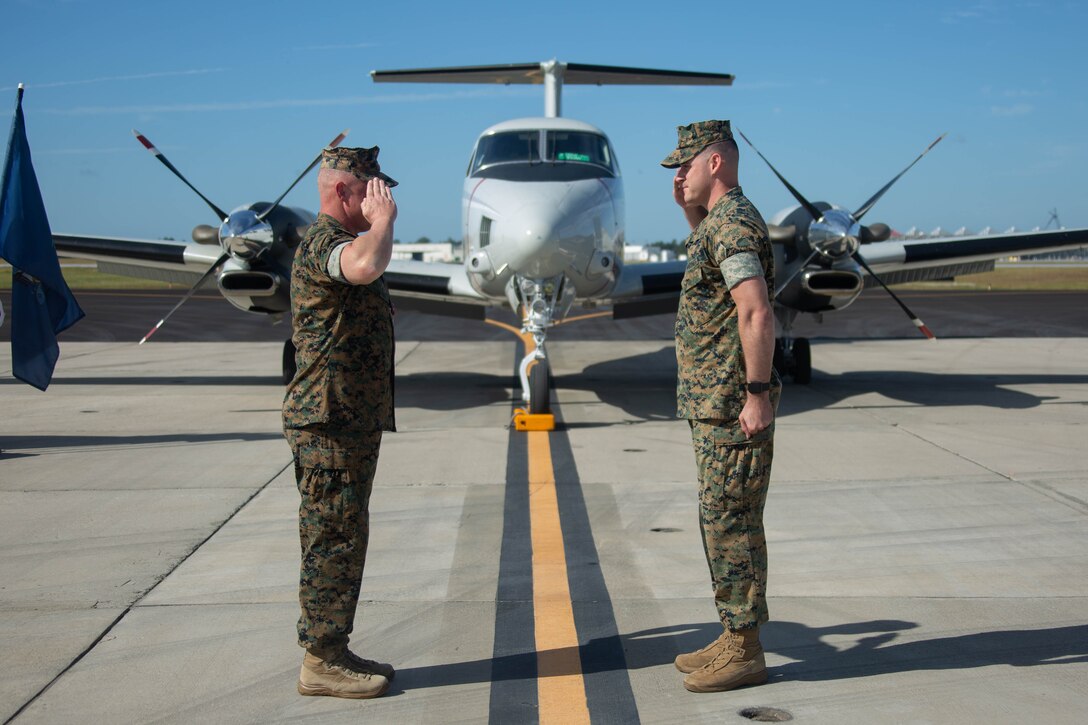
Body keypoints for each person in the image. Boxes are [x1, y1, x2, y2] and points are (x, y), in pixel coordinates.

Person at [661, 120, 781, 693]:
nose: (677, 174)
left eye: (685, 164)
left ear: (717, 163)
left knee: (731, 523)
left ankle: (744, 648)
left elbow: (754, 311)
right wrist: (690, 208)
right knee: (720, 520)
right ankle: (731, 633)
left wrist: (756, 396)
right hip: (714, 404)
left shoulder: (733, 226)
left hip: (733, 405)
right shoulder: (720, 223)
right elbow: (708, 253)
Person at [282, 145, 399, 699]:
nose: (385, 198)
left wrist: (377, 224)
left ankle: (333, 645)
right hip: (328, 422)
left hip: (347, 420)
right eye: (374, 189)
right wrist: (384, 223)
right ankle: (321, 660)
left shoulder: (341, 243)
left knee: (345, 534)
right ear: (345, 191)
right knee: (332, 537)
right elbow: (367, 265)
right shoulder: (325, 247)